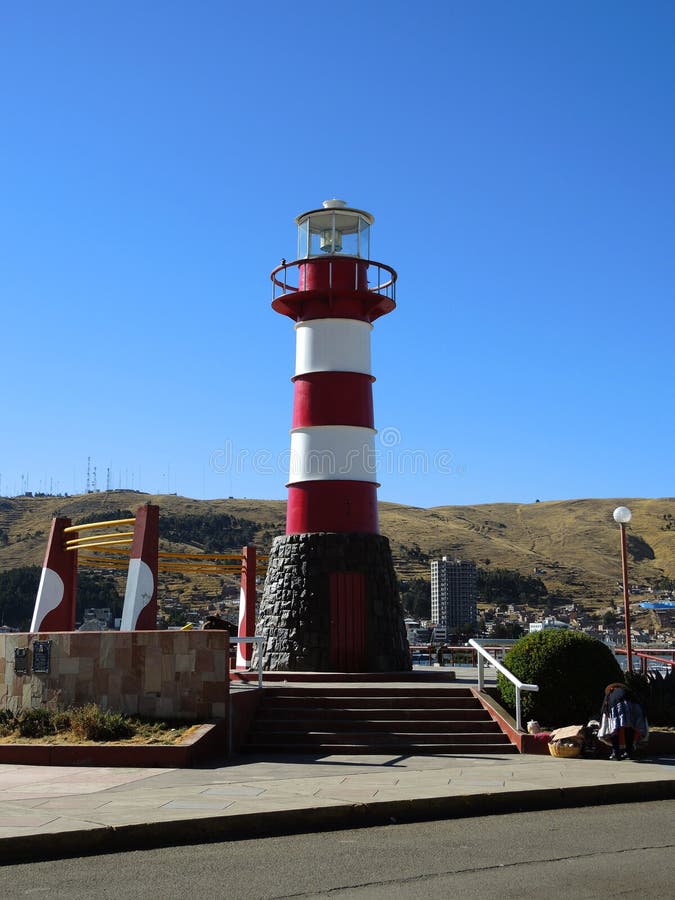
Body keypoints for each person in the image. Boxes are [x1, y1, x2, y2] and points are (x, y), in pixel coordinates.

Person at [599, 682, 648, 760]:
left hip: (617, 707)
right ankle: (629, 752)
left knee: (615, 729)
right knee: (630, 728)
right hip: (634, 708)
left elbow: (605, 707)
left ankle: (616, 753)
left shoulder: (611, 693)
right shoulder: (629, 692)